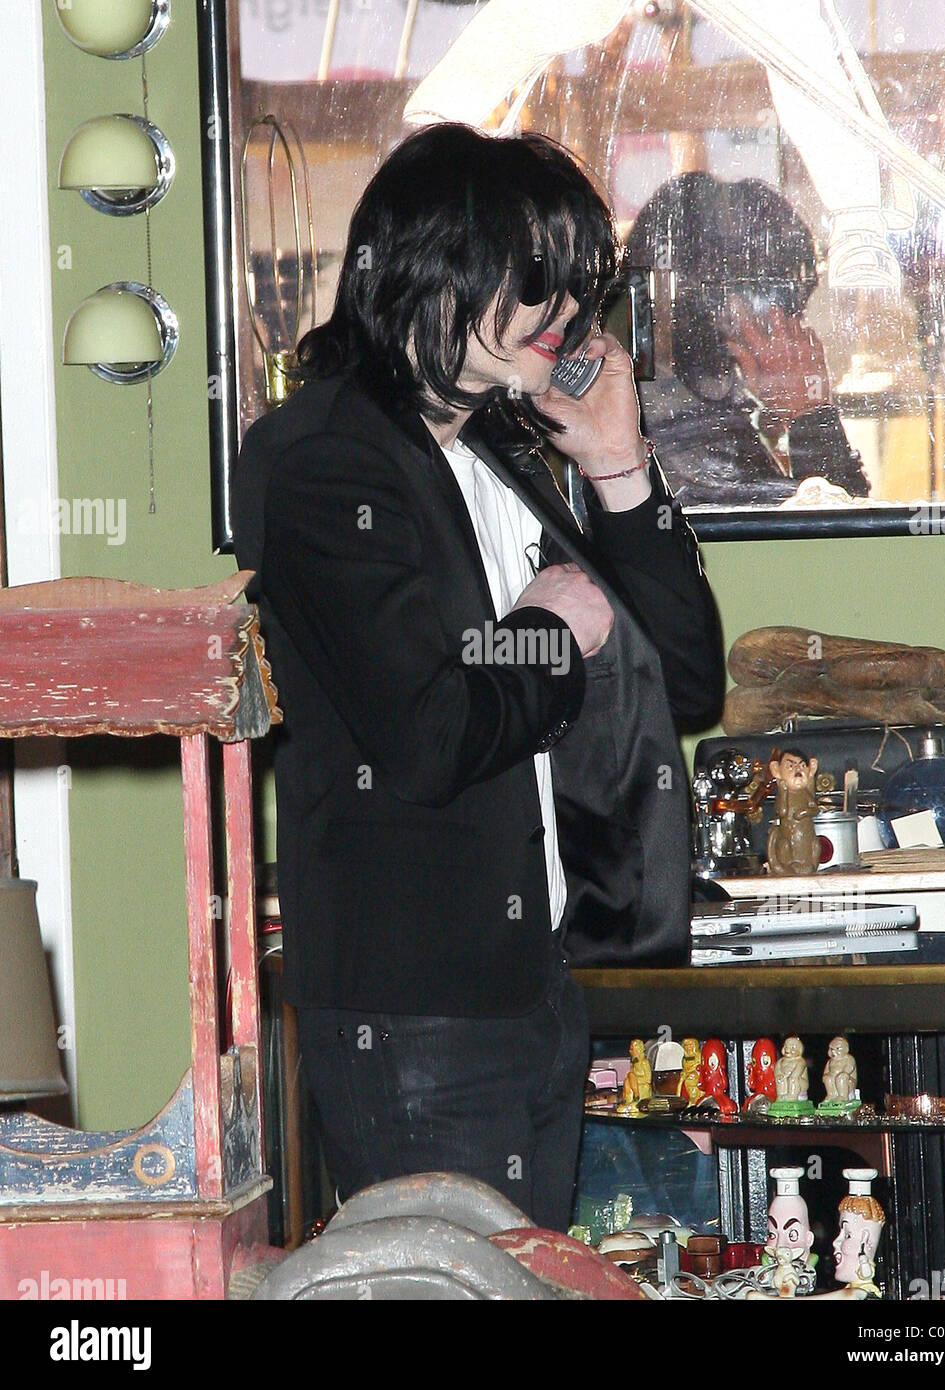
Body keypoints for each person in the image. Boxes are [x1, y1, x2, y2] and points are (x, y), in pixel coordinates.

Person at [232, 123, 724, 1231]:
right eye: (539, 278)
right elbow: (430, 725)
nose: (569, 317)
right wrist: (546, 631)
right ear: (438, 267)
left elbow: (686, 675)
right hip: (416, 1015)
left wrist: (615, 460)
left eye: (578, 286)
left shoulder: (504, 448)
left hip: (538, 991)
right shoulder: (321, 456)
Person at [626, 171, 871, 509]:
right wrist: (812, 417)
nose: (794, 324)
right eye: (782, 301)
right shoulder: (672, 426)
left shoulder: (684, 407)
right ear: (727, 304)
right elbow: (840, 540)